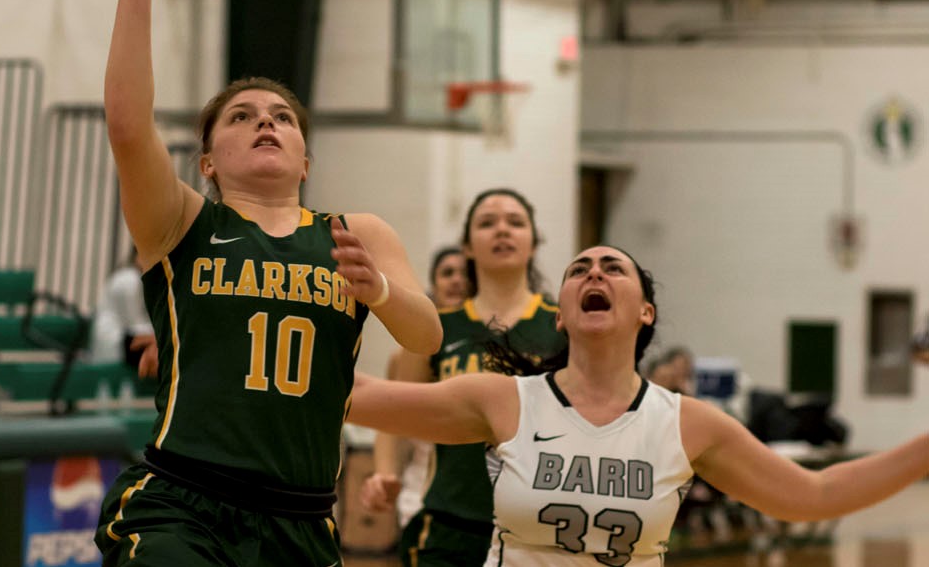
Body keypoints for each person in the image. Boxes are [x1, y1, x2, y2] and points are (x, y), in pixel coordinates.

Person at [90, 0, 443, 567]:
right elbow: (128, 129)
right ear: (209, 162)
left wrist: (377, 293)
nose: (265, 122)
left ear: (304, 157)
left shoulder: (356, 233)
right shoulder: (182, 224)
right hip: (181, 502)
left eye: (281, 117)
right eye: (242, 115)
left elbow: (425, 332)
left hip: (300, 519)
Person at [349, 245, 929, 565]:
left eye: (612, 269)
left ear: (645, 312)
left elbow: (816, 494)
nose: (593, 273)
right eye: (579, 269)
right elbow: (364, 396)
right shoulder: (503, 399)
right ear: (562, 312)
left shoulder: (687, 422)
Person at [361, 190, 567, 567]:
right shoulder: (435, 325)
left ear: (534, 242)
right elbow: (394, 410)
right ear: (467, 247)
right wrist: (385, 472)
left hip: (539, 525)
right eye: (487, 223)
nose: (502, 230)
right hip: (448, 522)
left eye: (515, 222)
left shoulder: (561, 325)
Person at [381, 246, 469, 529]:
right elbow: (389, 422)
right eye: (447, 273)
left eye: (464, 273)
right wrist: (384, 473)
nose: (456, 280)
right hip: (424, 485)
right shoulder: (407, 353)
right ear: (434, 285)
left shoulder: (492, 345)